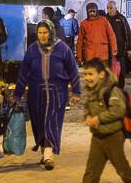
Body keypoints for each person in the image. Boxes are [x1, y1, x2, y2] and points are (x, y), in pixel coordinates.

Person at [72, 59, 131, 183]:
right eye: (85, 74)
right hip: (98, 135)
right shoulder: (92, 90)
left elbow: (118, 110)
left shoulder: (112, 90)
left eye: (90, 74)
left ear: (101, 74)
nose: (87, 77)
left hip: (114, 135)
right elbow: (88, 107)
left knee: (120, 165)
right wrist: (87, 116)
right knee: (92, 166)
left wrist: (98, 119)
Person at [14, 19, 81, 170]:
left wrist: (76, 91)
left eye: (45, 32)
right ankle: (45, 151)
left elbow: (73, 70)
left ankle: (49, 154)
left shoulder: (62, 48)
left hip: (57, 92)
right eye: (39, 33)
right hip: (36, 93)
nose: (42, 36)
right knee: (38, 123)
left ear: (51, 32)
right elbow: (23, 72)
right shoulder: (32, 50)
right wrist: (18, 93)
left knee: (51, 121)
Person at [75, 2, 117, 73]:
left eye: (93, 11)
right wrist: (79, 56)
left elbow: (111, 35)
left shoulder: (104, 21)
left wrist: (114, 50)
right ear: (87, 12)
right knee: (92, 75)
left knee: (103, 75)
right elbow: (80, 41)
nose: (92, 13)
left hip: (103, 55)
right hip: (89, 55)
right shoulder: (84, 24)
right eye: (90, 12)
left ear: (96, 11)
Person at [105, 1, 131, 88]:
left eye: (111, 8)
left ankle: (120, 89)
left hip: (120, 50)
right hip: (108, 51)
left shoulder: (121, 19)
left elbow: (127, 33)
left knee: (121, 72)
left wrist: (129, 48)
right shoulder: (105, 19)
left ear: (115, 8)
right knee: (109, 71)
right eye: (108, 8)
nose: (109, 10)